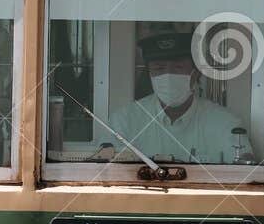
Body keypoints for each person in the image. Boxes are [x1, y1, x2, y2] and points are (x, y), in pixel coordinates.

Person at [103, 29, 246, 164]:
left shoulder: (226, 124)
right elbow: (103, 173)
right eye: (159, 68)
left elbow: (244, 177)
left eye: (178, 67)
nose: (168, 76)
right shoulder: (123, 122)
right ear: (150, 75)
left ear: (196, 73)